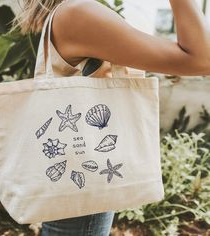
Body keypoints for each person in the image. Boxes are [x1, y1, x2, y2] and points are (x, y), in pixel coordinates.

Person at [13, 0, 210, 235]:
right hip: (84, 194)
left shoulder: (72, 11)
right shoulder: (79, 13)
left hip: (79, 184)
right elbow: (202, 59)